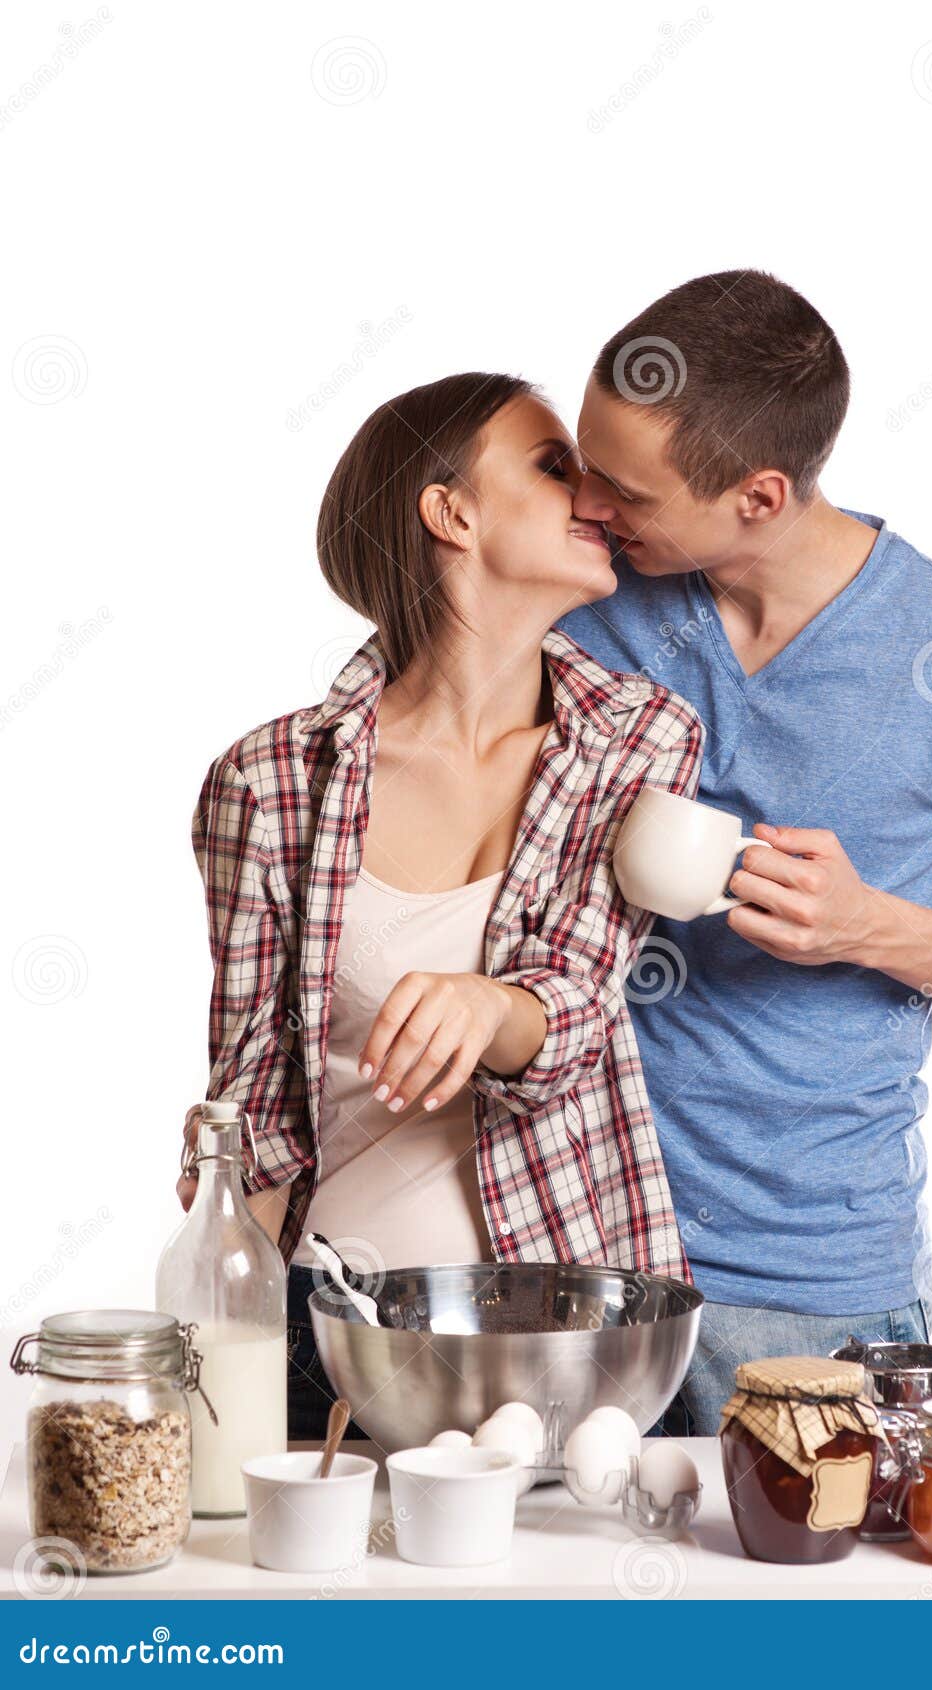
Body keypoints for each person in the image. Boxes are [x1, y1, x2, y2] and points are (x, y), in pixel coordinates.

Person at [560, 271, 932, 1433]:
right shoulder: (591, 599)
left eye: (623, 489)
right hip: (571, 1255)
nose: (586, 503)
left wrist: (872, 926)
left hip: (805, 1290)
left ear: (759, 496)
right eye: (584, 464)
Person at [183, 372, 702, 1435]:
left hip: (571, 1328)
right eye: (554, 466)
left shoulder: (641, 737)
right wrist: (214, 1354)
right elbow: (254, 1098)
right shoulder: (269, 780)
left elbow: (579, 1002)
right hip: (335, 1335)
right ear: (451, 512)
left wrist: (489, 1006)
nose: (595, 495)